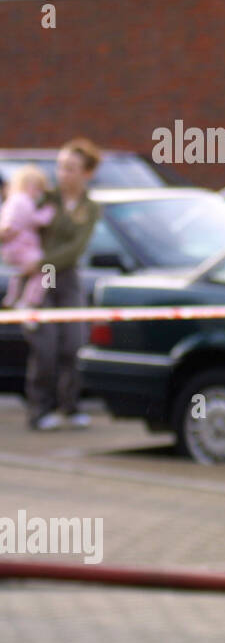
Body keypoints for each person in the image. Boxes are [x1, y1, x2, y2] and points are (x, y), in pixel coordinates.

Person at [25, 139, 103, 431]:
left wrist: (42, 260)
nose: (63, 174)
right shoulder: (46, 199)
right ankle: (39, 409)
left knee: (73, 343)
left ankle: (69, 406)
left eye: (71, 168)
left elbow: (75, 248)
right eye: (60, 167)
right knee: (44, 345)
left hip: (65, 275)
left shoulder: (90, 208)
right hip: (41, 277)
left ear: (86, 173)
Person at [0, 165, 57, 310]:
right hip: (22, 248)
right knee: (47, 270)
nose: (39, 193)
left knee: (20, 273)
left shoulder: (12, 200)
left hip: (13, 250)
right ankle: (30, 301)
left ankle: (12, 298)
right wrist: (48, 212)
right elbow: (33, 219)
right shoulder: (23, 200)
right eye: (37, 188)